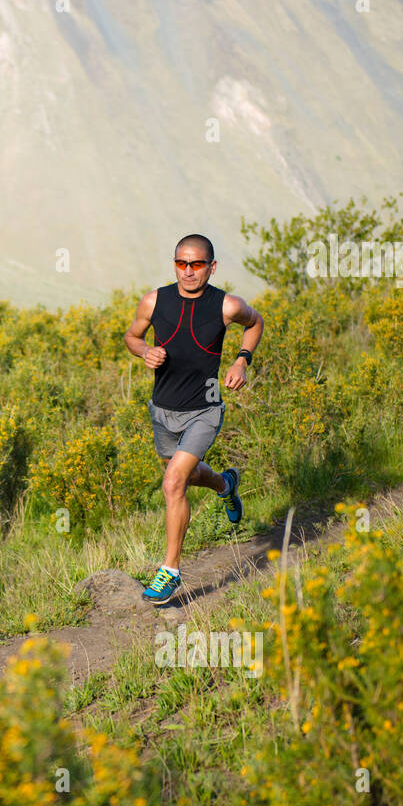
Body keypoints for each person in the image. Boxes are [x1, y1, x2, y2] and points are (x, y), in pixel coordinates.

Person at [123, 234, 264, 605]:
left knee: (173, 483)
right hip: (163, 409)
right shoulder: (154, 300)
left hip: (205, 408)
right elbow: (132, 336)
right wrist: (144, 351)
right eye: (181, 263)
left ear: (211, 267)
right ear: (174, 264)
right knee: (187, 473)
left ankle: (169, 572)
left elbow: (256, 322)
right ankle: (225, 485)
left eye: (197, 264)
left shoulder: (227, 305)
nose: (188, 271)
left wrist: (241, 360)